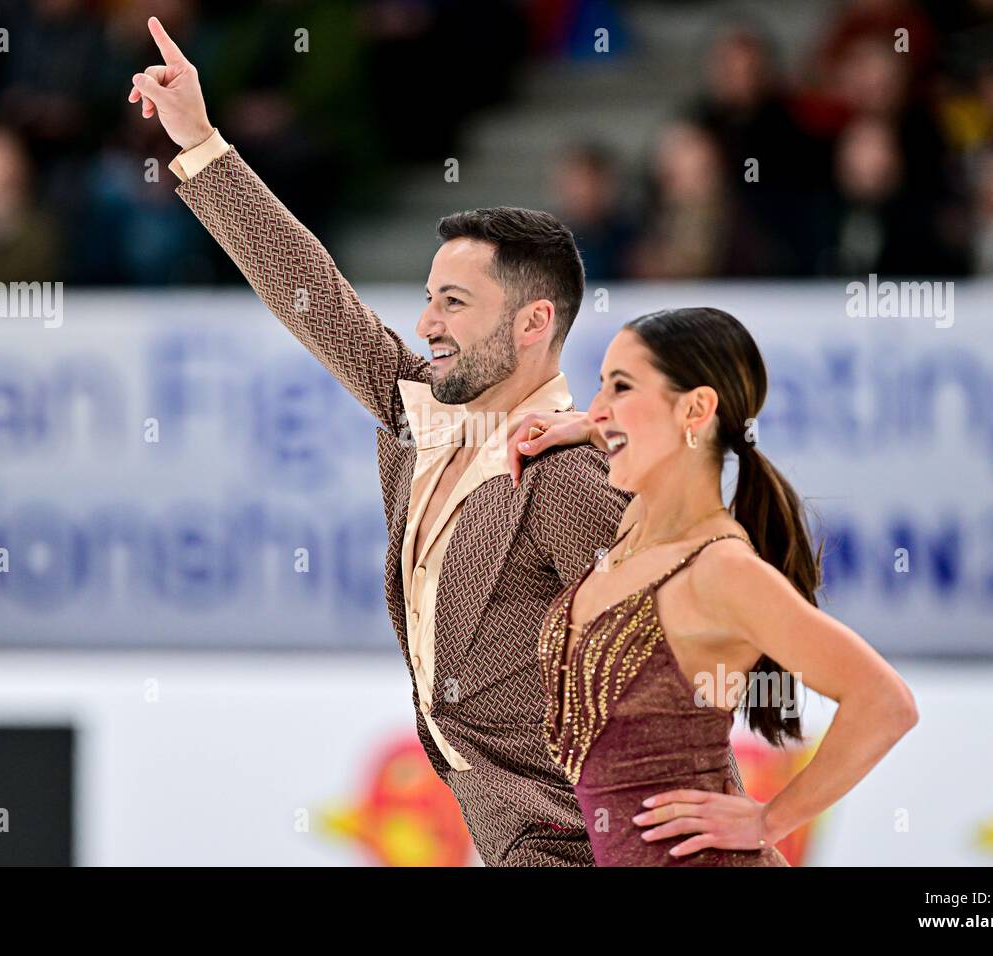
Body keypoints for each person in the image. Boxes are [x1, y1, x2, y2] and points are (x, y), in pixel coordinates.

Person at [125, 17, 755, 866]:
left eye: (456, 303)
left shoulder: (571, 477)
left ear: (535, 323)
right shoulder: (418, 411)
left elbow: (689, 671)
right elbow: (310, 291)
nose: (425, 323)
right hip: (509, 841)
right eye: (429, 298)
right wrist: (199, 142)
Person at [509, 307, 918, 865]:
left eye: (621, 387)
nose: (599, 406)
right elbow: (660, 449)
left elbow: (886, 702)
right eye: (600, 386)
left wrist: (770, 820)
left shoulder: (719, 570)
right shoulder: (640, 524)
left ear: (696, 408)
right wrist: (592, 425)